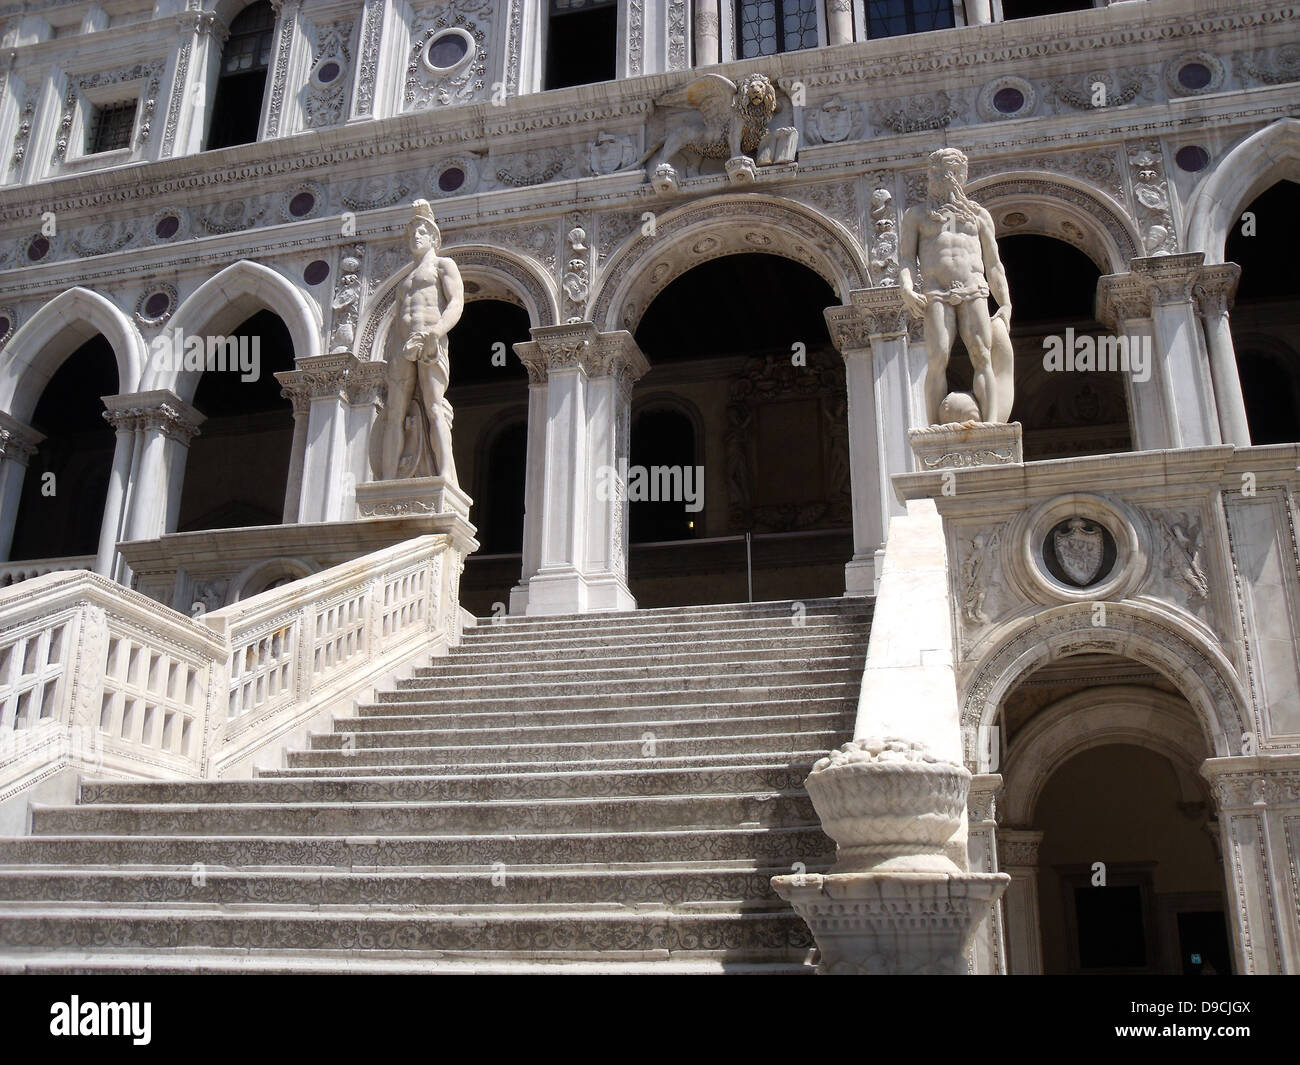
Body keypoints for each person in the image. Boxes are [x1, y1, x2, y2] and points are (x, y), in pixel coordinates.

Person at [899, 148, 1014, 424]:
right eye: (938, 172)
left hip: (974, 288)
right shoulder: (917, 216)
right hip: (936, 292)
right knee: (938, 356)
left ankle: (990, 426)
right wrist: (906, 288)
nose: (943, 178)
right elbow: (905, 258)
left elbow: (994, 263)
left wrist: (1006, 303)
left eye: (951, 172)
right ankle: (934, 429)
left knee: (982, 355)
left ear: (961, 176)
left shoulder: (978, 215)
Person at [379, 200, 464, 485]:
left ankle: (446, 475)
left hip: (430, 341)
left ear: (433, 238)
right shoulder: (404, 281)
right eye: (412, 232)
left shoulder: (443, 265)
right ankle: (388, 480)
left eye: (422, 231)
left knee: (435, 407)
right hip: (402, 347)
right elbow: (397, 320)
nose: (415, 236)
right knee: (394, 413)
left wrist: (436, 332)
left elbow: (456, 303)